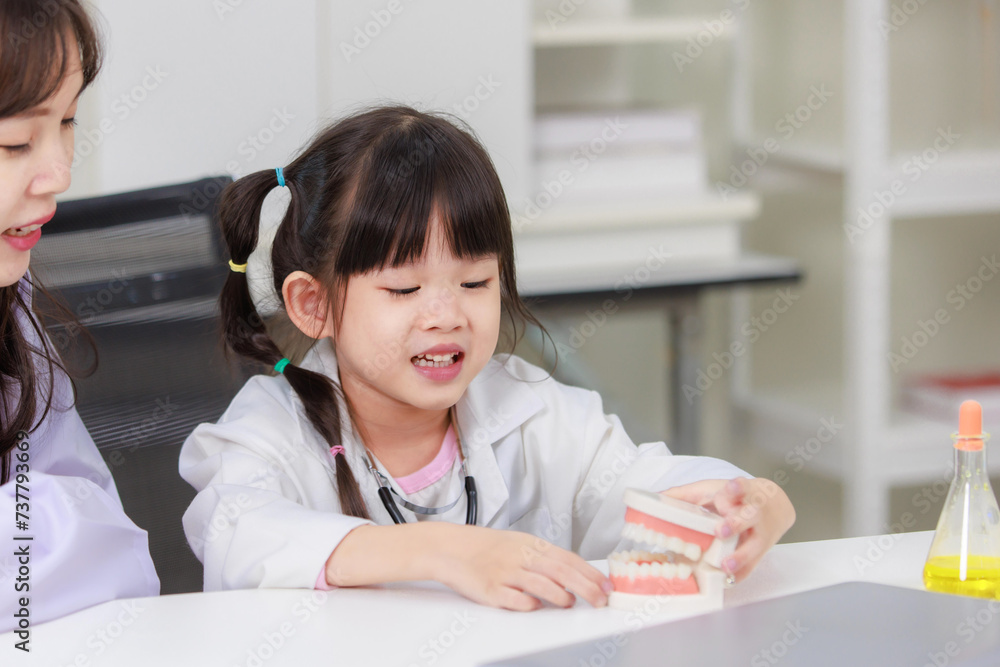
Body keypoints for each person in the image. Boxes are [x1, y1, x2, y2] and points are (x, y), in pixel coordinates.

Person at [180, 106, 794, 611]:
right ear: (315, 304)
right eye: (404, 289)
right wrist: (444, 550)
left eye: (474, 283)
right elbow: (236, 532)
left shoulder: (529, 411)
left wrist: (738, 502)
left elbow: (639, 485)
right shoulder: (270, 430)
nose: (447, 314)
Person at [0, 0, 159, 633]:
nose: (59, 173)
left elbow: (109, 550)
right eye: (14, 141)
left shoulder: (13, 306)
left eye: (66, 122)